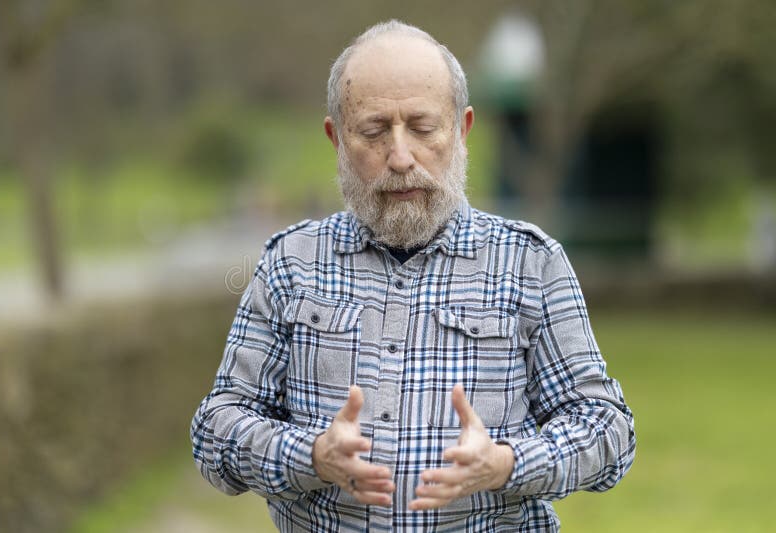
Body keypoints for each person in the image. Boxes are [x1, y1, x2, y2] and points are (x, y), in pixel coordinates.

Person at [191, 20, 635, 532]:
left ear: (462, 129)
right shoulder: (291, 263)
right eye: (374, 132)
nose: (400, 158)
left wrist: (506, 463)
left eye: (423, 128)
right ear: (336, 138)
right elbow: (214, 431)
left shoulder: (531, 263)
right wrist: (311, 455)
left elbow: (608, 432)